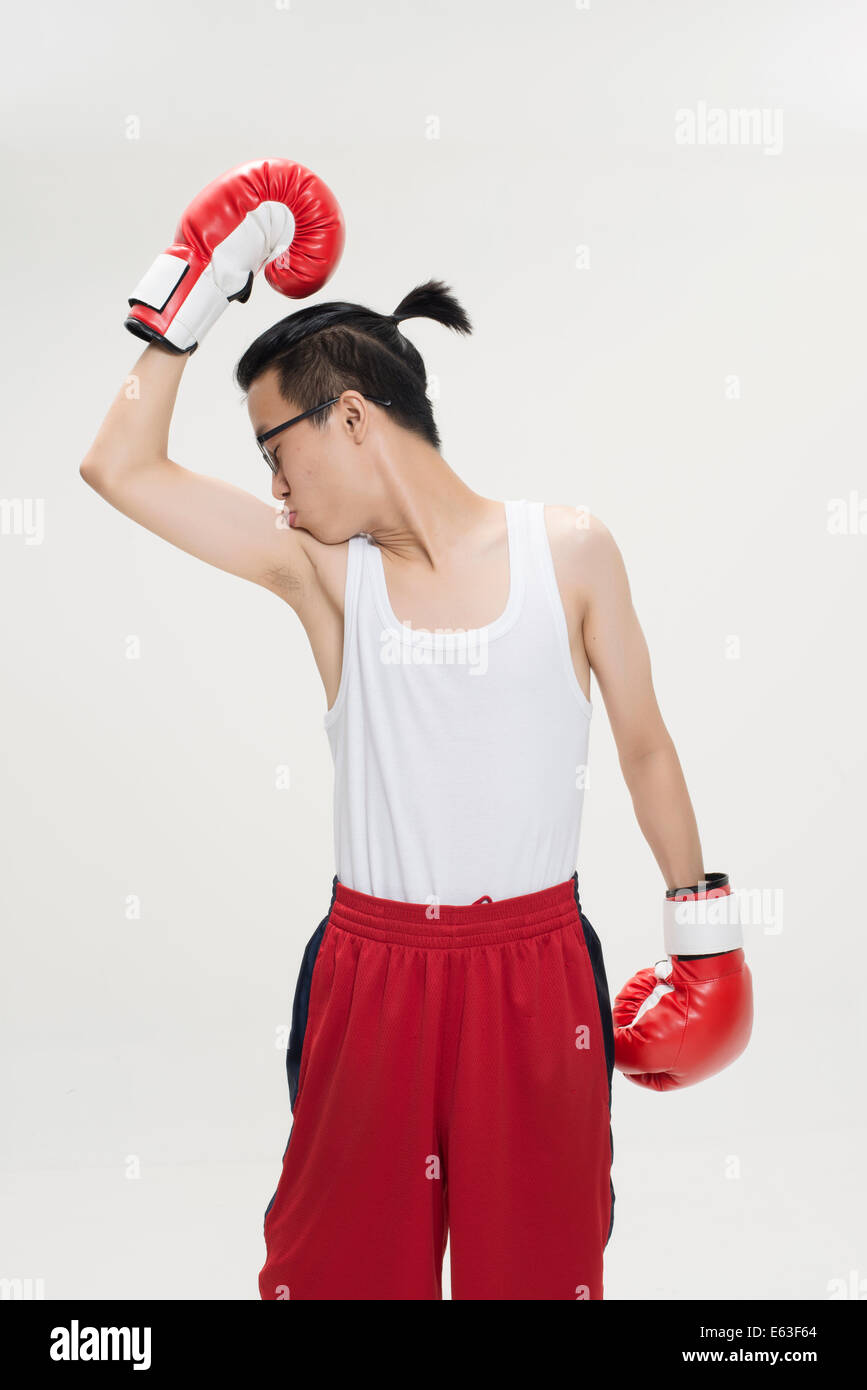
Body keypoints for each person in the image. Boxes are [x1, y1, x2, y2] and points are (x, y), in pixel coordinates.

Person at [81, 162, 751, 1301]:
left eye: (273, 452)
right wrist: (198, 291)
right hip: (371, 976)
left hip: (536, 978)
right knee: (337, 1280)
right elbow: (118, 467)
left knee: (538, 1281)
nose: (275, 492)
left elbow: (643, 743)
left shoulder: (570, 550)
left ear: (350, 416)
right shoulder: (326, 575)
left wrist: (706, 937)